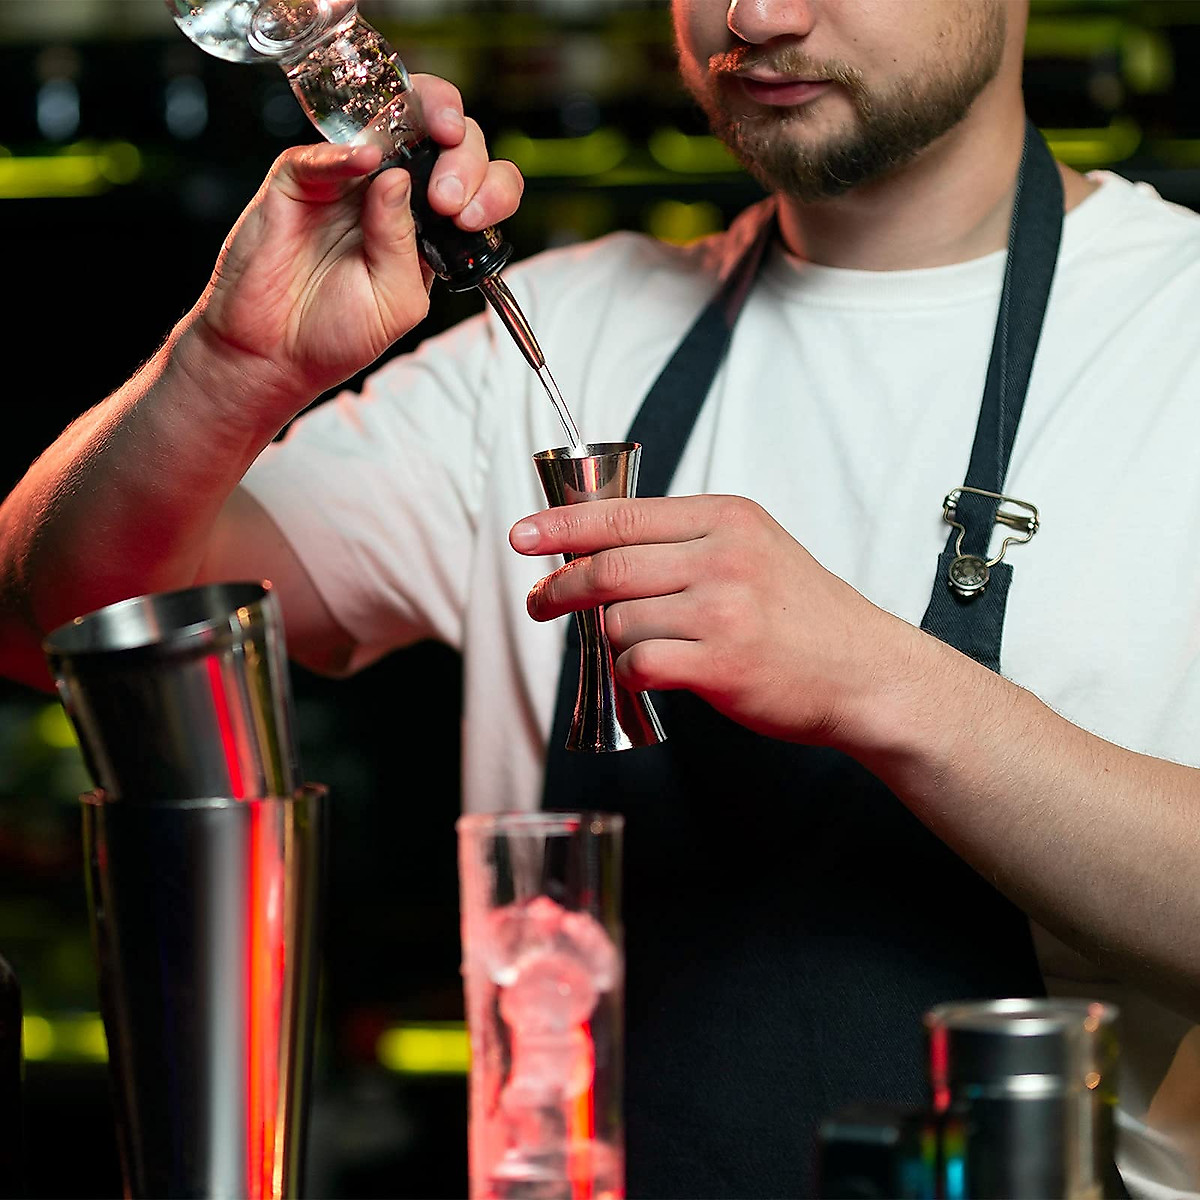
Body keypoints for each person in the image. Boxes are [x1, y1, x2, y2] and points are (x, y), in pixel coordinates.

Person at [3, 0, 1200, 1194]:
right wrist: (230, 368)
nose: (758, 14)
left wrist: (882, 682)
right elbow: (56, 621)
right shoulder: (577, 331)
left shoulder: (1173, 331)